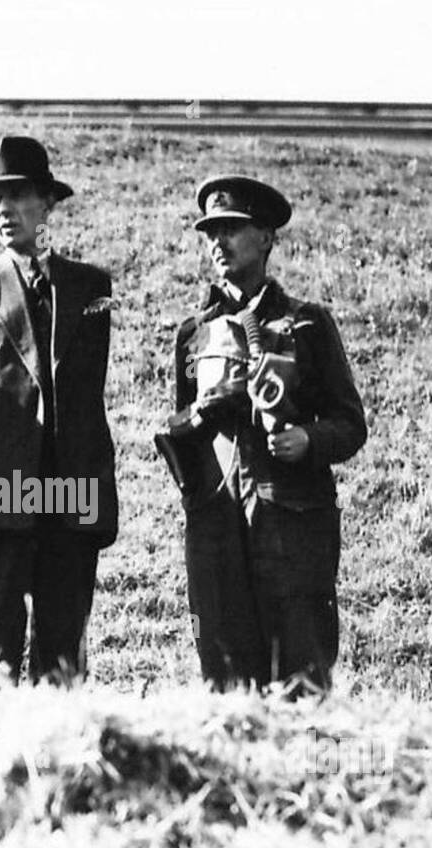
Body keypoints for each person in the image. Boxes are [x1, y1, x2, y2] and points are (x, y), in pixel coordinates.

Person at [0, 136, 118, 682]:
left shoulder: (90, 287)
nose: (6, 211)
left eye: (19, 196)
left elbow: (85, 395)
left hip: (68, 495)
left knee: (62, 659)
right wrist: (0, 447)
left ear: (47, 204)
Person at [164, 175, 366, 693]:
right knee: (225, 681)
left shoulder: (307, 325)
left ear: (266, 238)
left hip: (291, 529)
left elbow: (349, 424)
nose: (218, 242)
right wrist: (206, 413)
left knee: (302, 677)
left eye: (232, 228)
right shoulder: (195, 333)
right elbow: (179, 423)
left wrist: (307, 440)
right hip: (217, 528)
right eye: (211, 231)